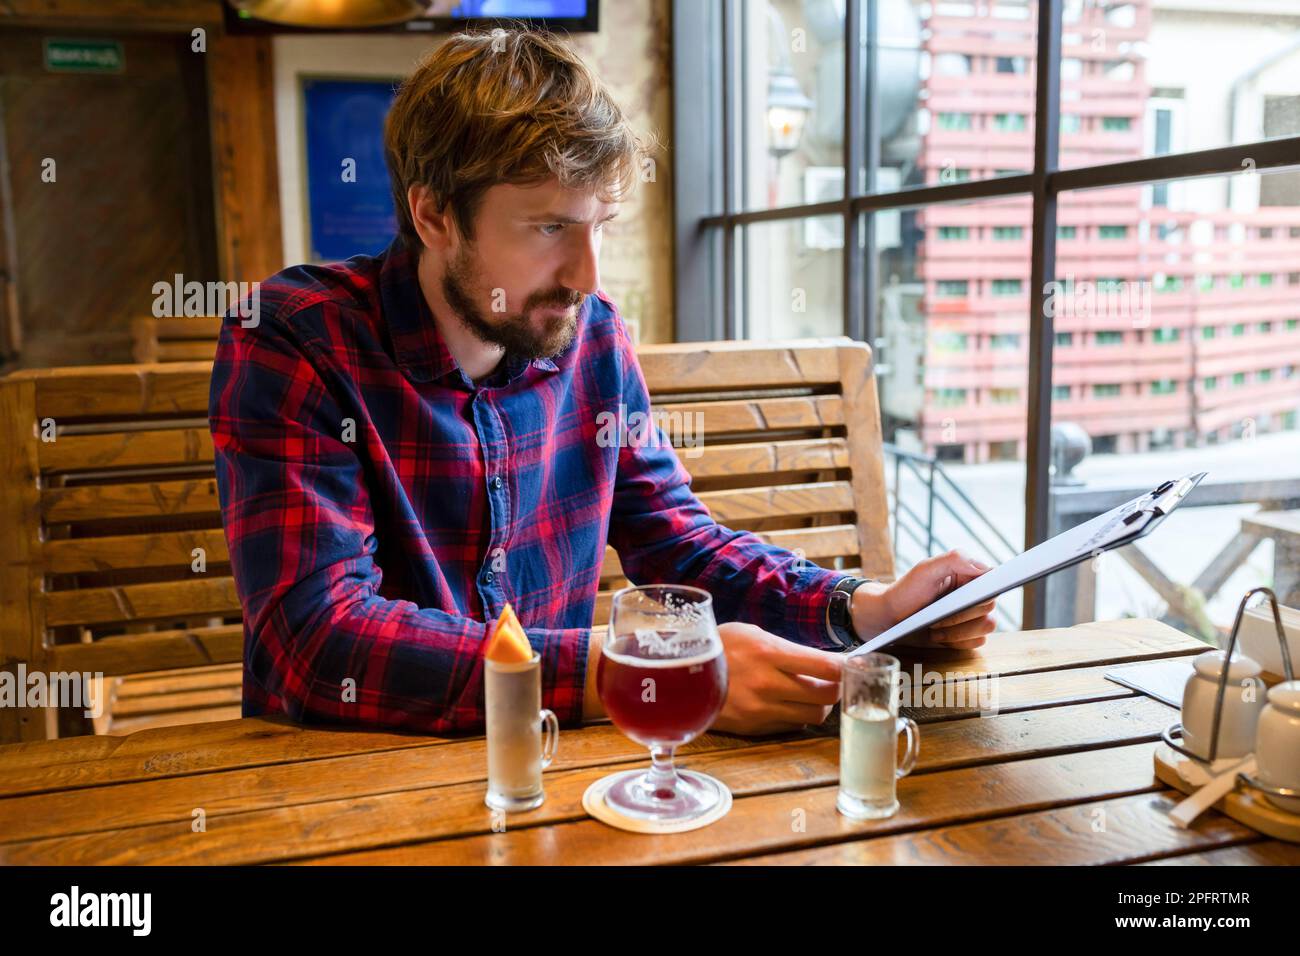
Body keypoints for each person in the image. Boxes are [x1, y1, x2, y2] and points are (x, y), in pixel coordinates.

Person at [209, 28, 995, 738]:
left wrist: (864, 607)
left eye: (599, 226)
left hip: (553, 765)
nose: (587, 275)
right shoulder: (293, 339)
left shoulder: (590, 333)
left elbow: (673, 541)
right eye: (549, 227)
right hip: (342, 777)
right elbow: (316, 641)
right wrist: (642, 675)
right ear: (434, 216)